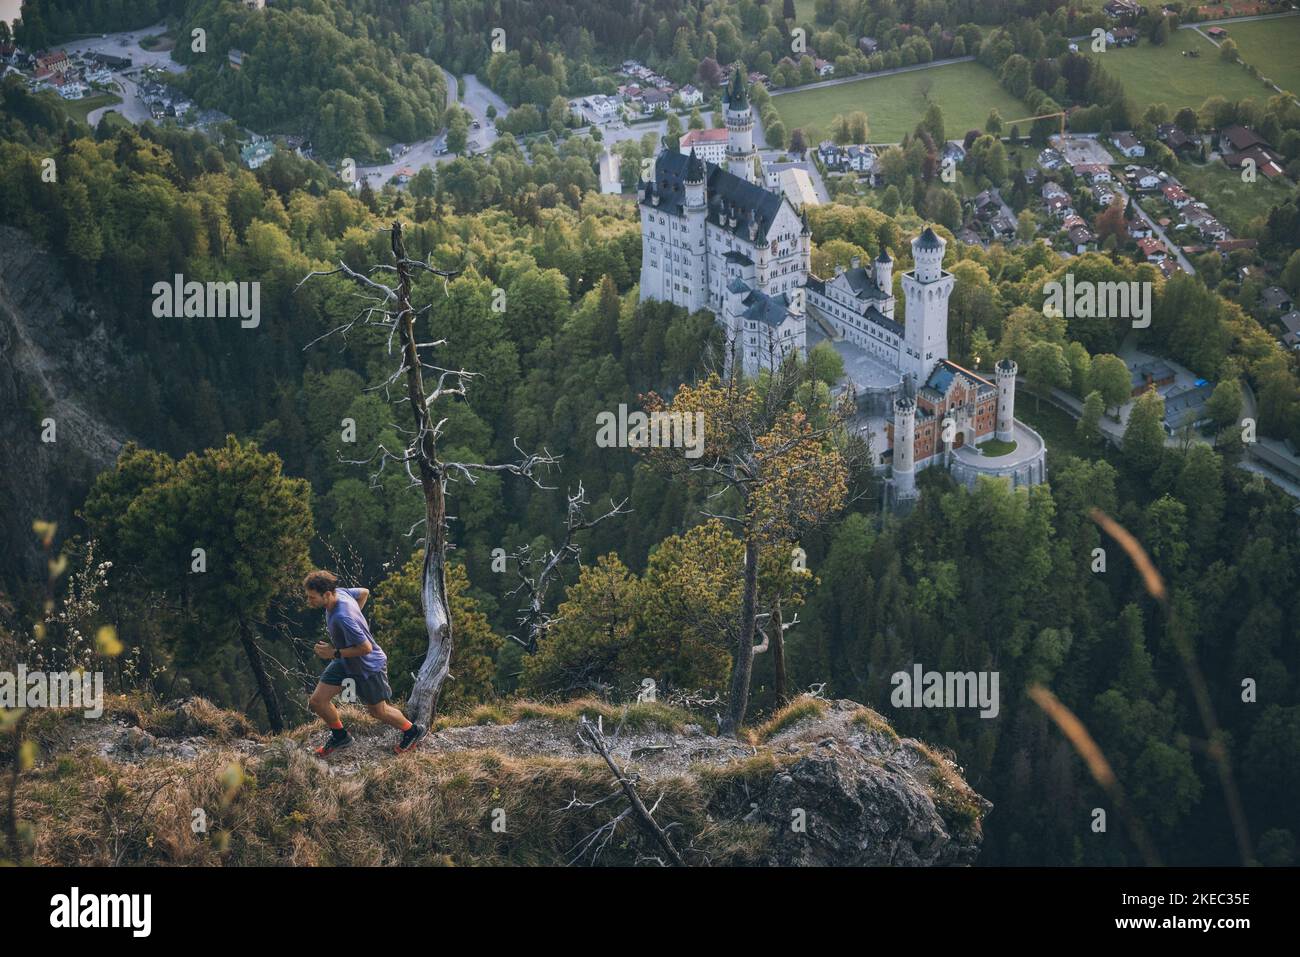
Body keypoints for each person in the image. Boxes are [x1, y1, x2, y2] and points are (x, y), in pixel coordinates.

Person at [302, 570, 426, 755]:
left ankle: (412, 731)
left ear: (327, 594)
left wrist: (334, 651)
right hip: (345, 661)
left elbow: (366, 648)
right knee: (317, 702)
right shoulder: (341, 592)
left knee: (378, 711)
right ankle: (340, 736)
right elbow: (364, 592)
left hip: (368, 666)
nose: (309, 601)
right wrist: (356, 618)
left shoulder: (342, 617)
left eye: (312, 598)